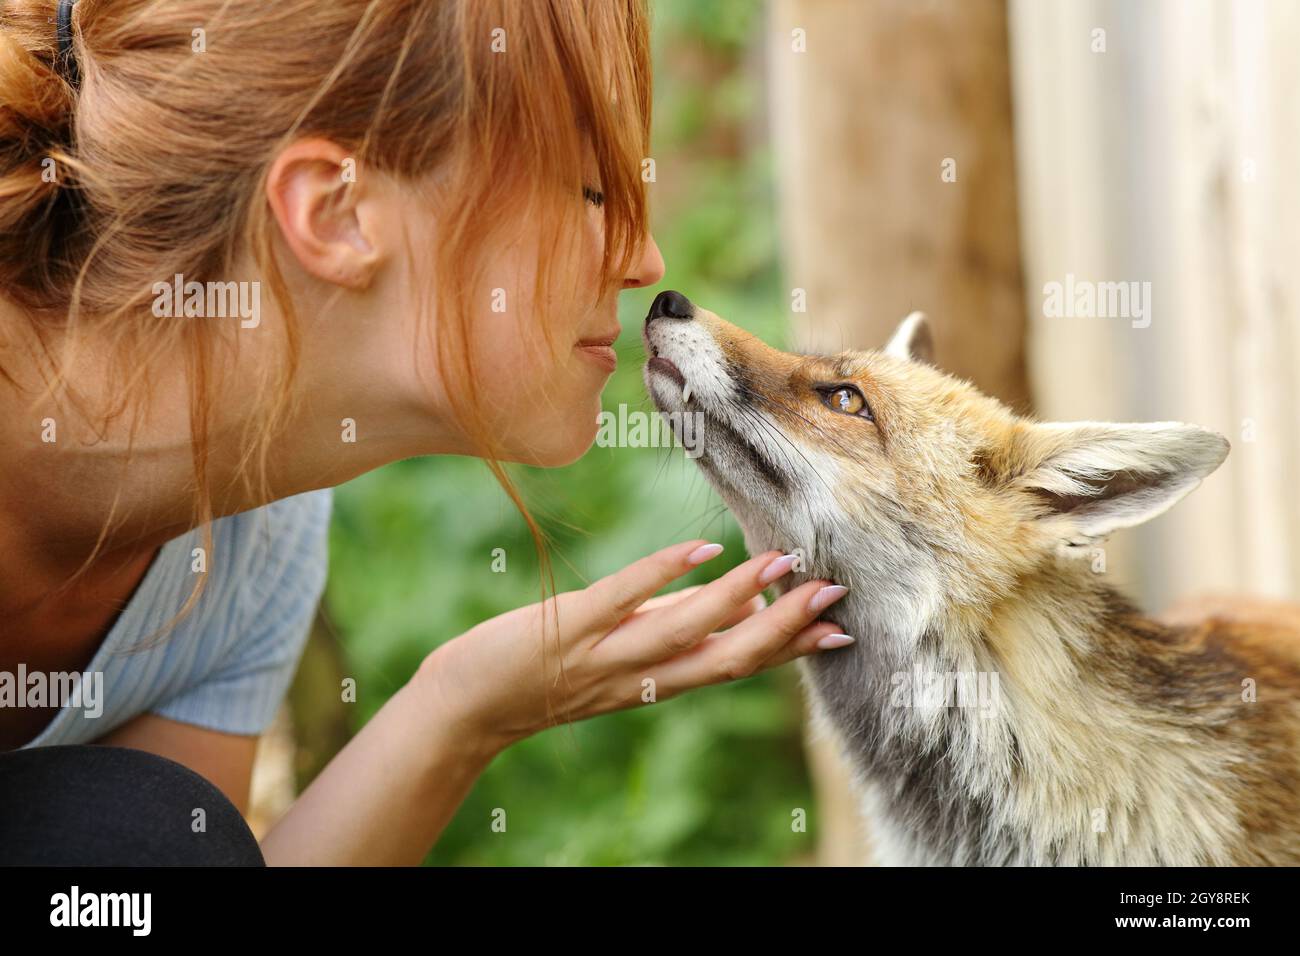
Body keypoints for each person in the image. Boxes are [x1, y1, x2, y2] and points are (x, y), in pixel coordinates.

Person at [0, 0, 851, 864]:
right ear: (336, 212)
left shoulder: (258, 537)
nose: (644, 262)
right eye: (590, 190)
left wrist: (458, 709)